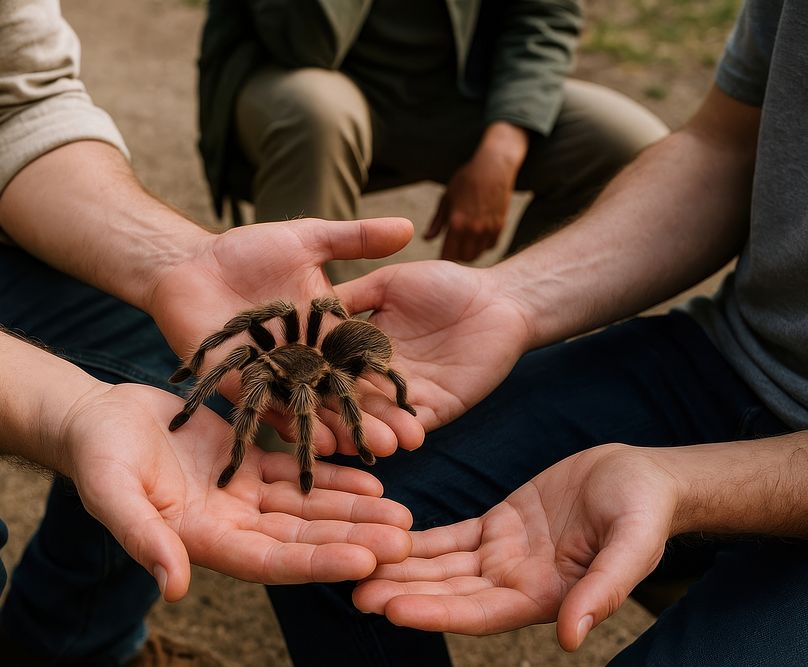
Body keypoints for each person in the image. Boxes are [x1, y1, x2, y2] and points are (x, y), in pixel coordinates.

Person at [0, 2, 424, 665]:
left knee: (182, 339)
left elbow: (17, 100)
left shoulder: (315, 355)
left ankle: (65, 646)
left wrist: (179, 263)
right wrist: (71, 409)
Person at [264, 0, 808, 664]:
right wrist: (509, 297)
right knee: (315, 514)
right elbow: (725, 143)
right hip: (733, 357)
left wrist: (684, 481)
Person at [198, 0, 668, 263]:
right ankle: (305, 377)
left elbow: (544, 17)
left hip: (451, 96)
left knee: (629, 145)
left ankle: (516, 352)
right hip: (306, 80)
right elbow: (304, 43)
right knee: (318, 113)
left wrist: (503, 147)